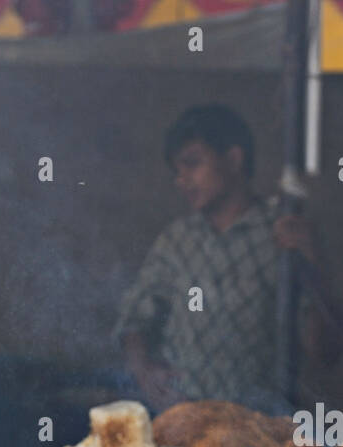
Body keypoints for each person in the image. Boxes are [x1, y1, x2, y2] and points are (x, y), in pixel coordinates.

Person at [113, 104, 317, 413]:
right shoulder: (176, 240)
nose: (182, 180)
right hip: (184, 416)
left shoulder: (281, 234)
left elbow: (322, 349)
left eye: (192, 164)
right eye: (177, 171)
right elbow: (133, 320)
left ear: (234, 160)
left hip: (259, 422)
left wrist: (312, 261)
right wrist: (144, 372)